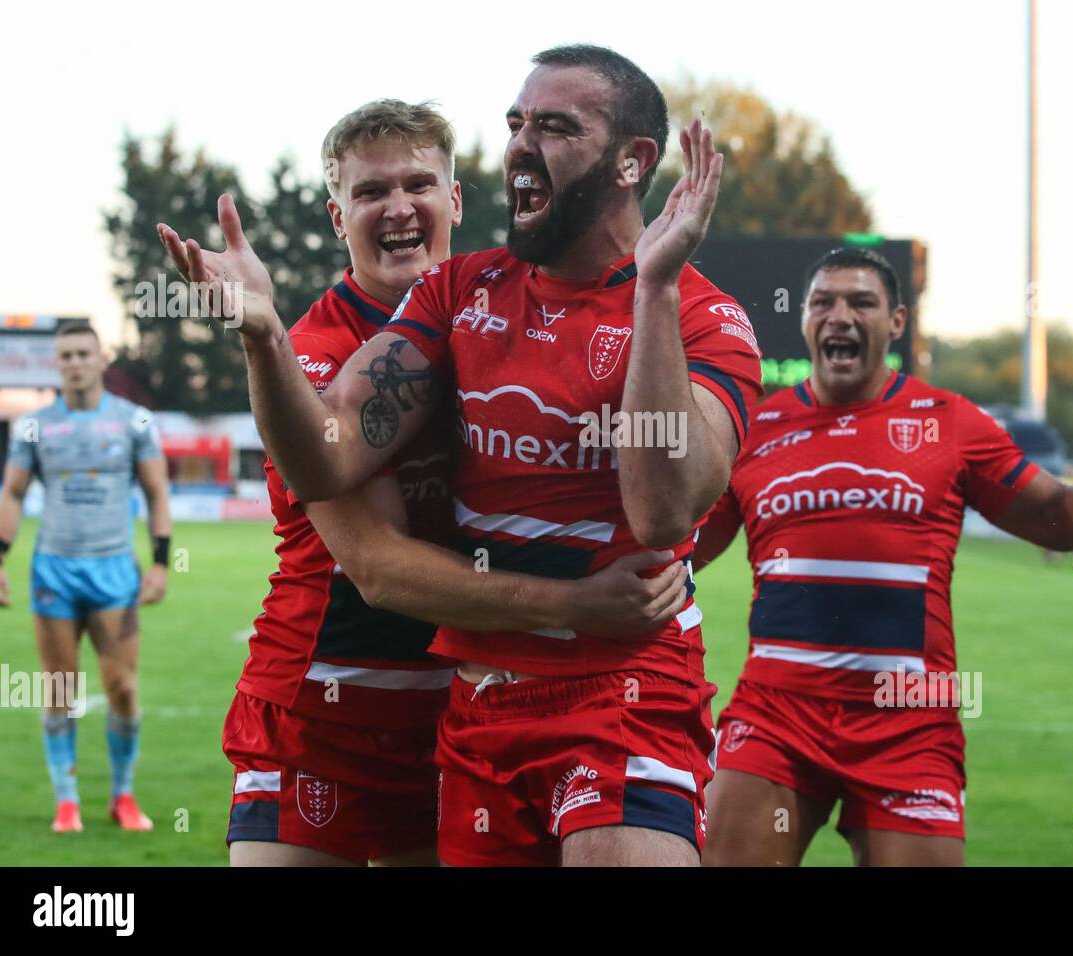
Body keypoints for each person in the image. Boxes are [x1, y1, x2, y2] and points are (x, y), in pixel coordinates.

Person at [158, 46, 759, 866]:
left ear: (632, 162)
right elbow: (334, 467)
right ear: (337, 215)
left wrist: (652, 290)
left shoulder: (706, 318)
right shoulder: (455, 296)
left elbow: (662, 512)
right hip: (456, 707)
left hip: (622, 698)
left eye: (554, 126)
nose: (521, 144)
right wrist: (264, 337)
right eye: (515, 124)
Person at [692, 247, 1073, 867]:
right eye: (823, 302)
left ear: (896, 322)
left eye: (861, 302)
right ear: (804, 319)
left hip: (908, 720)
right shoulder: (758, 428)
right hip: (776, 714)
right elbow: (682, 551)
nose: (839, 316)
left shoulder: (950, 423)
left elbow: (1066, 520)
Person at [0, 322, 172, 833]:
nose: (73, 363)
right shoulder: (34, 425)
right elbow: (13, 494)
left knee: (122, 689)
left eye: (82, 354)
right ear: (56, 363)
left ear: (101, 358)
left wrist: (161, 561)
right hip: (54, 570)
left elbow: (157, 492)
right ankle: (66, 801)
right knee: (59, 689)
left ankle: (122, 795)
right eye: (65, 355)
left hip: (114, 570)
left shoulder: (134, 421)